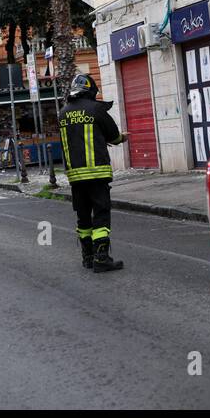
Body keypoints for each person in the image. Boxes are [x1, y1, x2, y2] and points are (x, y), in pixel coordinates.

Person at [58, 73, 127, 273]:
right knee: (101, 215)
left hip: (75, 177)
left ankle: (87, 257)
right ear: (90, 91)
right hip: (97, 175)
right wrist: (122, 138)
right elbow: (113, 137)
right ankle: (102, 257)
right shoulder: (96, 109)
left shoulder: (62, 113)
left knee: (83, 218)